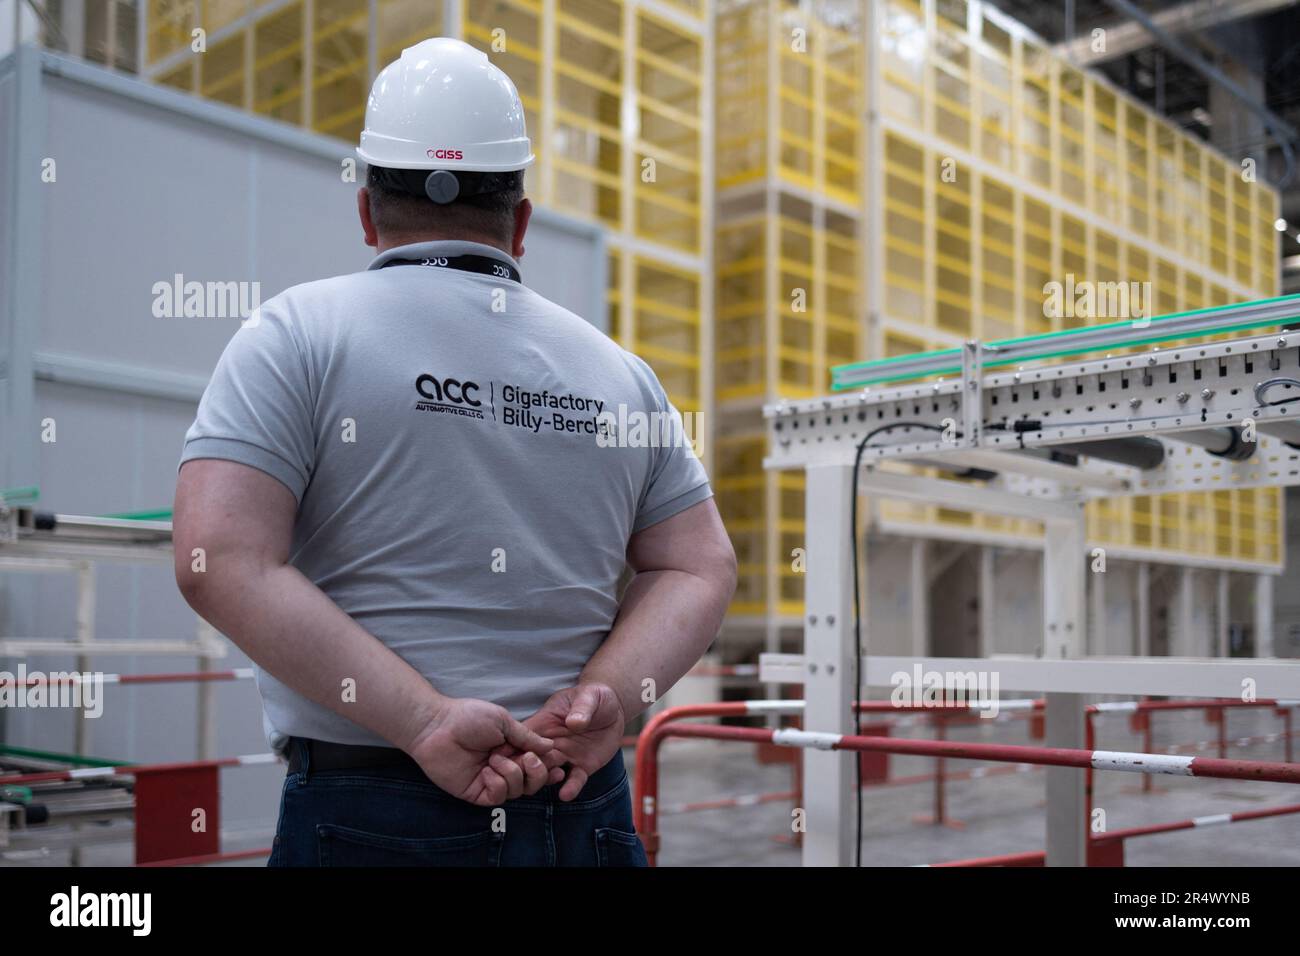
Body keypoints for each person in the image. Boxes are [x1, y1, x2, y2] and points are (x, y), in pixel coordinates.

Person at [172, 36, 735, 867]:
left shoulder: (295, 334)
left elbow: (212, 554)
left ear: (367, 211)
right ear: (522, 221)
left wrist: (427, 720)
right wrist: (605, 702)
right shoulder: (622, 375)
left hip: (372, 805)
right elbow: (701, 566)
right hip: (577, 795)